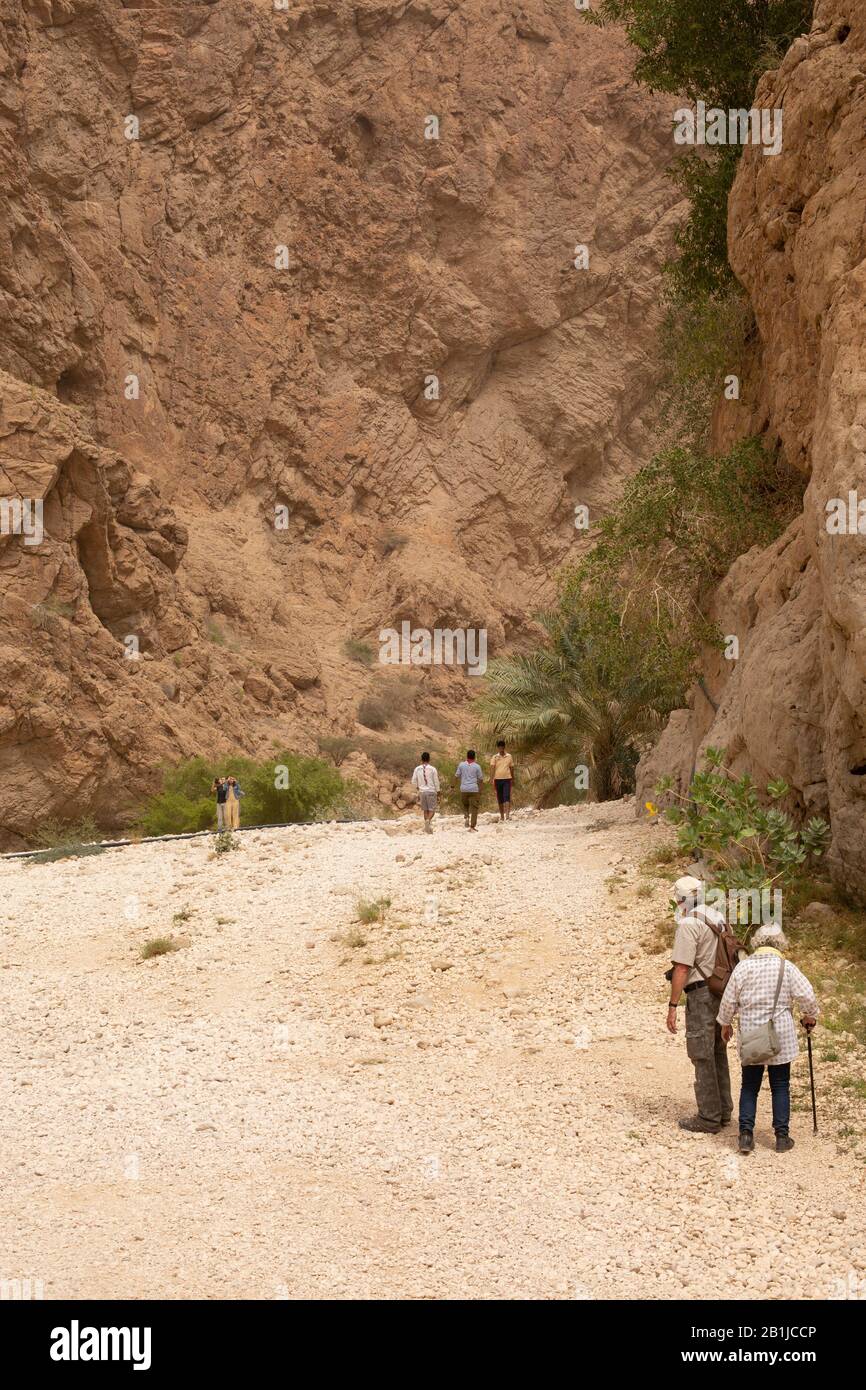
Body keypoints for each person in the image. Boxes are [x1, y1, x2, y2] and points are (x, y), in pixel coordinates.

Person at [718, 924, 819, 1154]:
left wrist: (725, 1024)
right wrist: (809, 1017)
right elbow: (808, 997)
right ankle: (782, 1137)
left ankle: (745, 1135)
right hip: (780, 1036)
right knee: (781, 1085)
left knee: (750, 1086)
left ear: (757, 942)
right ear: (780, 943)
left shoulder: (743, 968)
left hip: (752, 1036)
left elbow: (728, 1001)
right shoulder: (787, 968)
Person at [665, 875, 733, 1134]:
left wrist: (673, 1005)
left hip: (701, 995)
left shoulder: (689, 924)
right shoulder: (717, 917)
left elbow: (682, 967)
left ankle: (708, 1117)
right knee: (718, 1050)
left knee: (701, 1053)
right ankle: (724, 1111)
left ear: (681, 899)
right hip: (721, 991)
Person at [411, 751, 440, 833]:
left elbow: (413, 781)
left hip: (422, 792)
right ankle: (428, 821)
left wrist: (418, 787)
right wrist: (438, 791)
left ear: (421, 759)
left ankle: (427, 827)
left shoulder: (417, 769)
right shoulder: (433, 769)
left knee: (425, 810)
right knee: (432, 810)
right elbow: (436, 781)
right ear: (429, 759)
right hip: (431, 791)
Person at [454, 749, 483, 830]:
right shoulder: (477, 766)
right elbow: (480, 779)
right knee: (474, 808)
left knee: (465, 804)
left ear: (467, 756)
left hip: (464, 789)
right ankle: (472, 826)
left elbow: (456, 776)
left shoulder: (461, 765)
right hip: (474, 789)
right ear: (474, 757)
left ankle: (466, 816)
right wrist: (480, 791)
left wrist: (452, 786)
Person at [489, 739, 515, 822]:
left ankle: (507, 816)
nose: (501, 748)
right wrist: (491, 778)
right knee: (500, 798)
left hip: (507, 779)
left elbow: (511, 768)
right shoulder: (495, 757)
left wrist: (512, 778)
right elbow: (492, 768)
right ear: (498, 747)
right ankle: (502, 816)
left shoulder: (509, 756)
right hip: (497, 779)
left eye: (502, 746)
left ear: (504, 747)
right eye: (499, 747)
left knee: (507, 797)